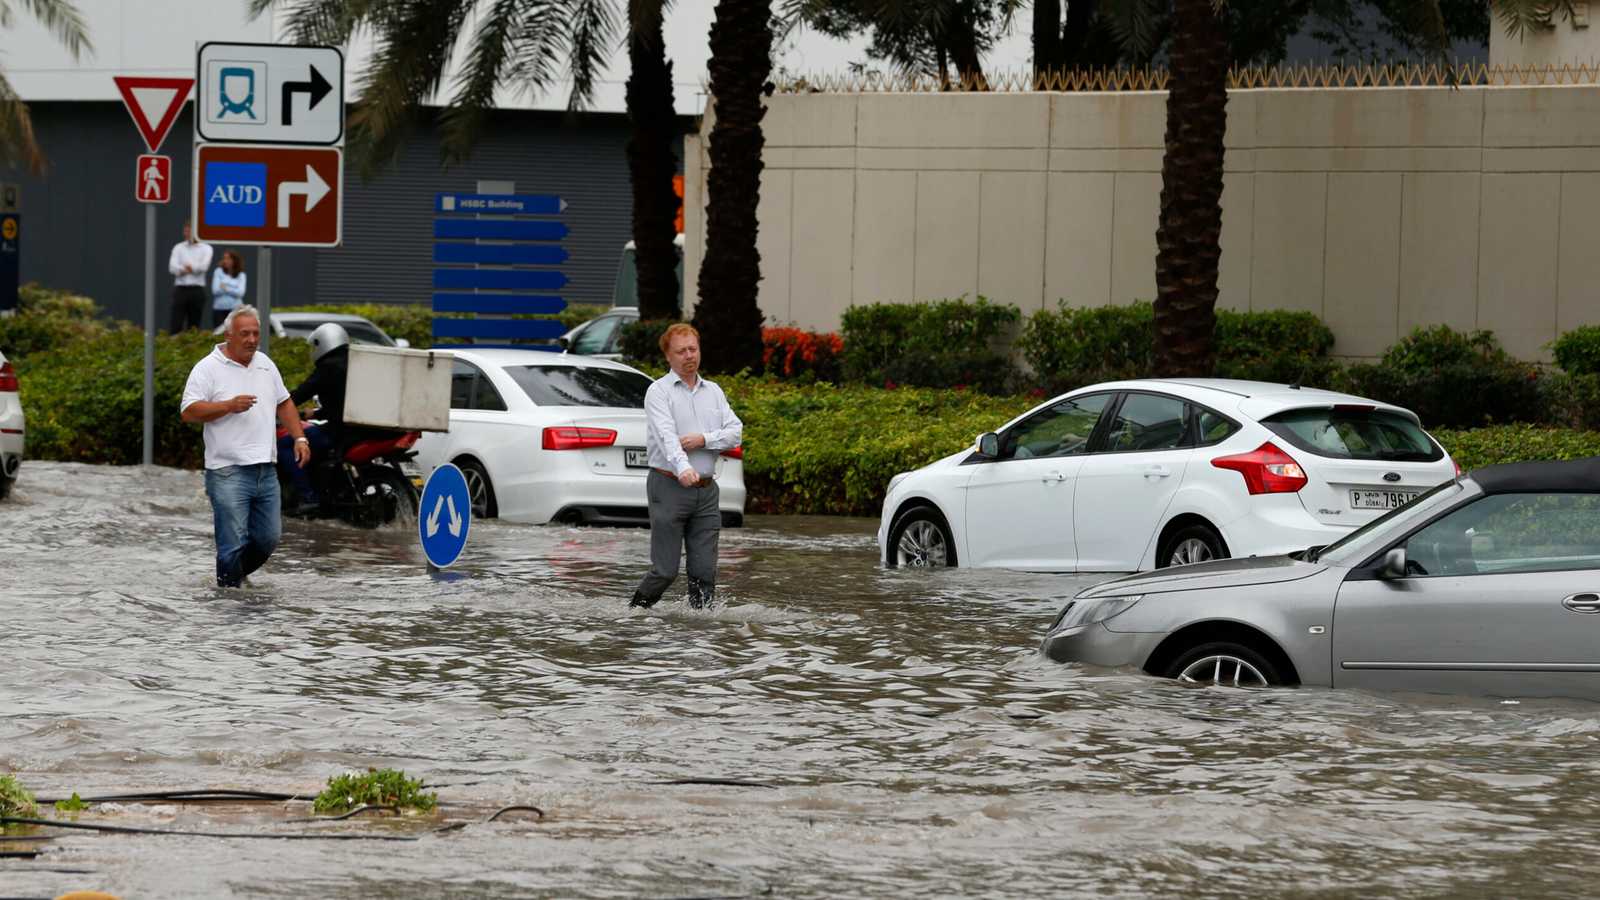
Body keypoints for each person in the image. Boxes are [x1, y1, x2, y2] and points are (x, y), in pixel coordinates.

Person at [180, 305, 310, 587]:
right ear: (229, 335)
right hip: (227, 470)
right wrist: (227, 406)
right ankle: (229, 602)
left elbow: (284, 402)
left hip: (266, 468)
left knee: (268, 538)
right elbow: (188, 412)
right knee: (232, 542)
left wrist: (299, 437)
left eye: (255, 333)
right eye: (245, 334)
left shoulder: (265, 363)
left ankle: (235, 581)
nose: (251, 340)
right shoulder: (207, 368)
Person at [629, 323, 743, 610]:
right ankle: (634, 614)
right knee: (665, 572)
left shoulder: (714, 391)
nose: (689, 356)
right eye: (681, 351)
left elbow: (735, 432)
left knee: (704, 573)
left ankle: (700, 633)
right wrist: (683, 467)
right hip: (669, 486)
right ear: (668, 356)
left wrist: (703, 439)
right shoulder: (658, 392)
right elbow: (667, 438)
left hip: (706, 491)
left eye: (693, 349)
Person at [276, 322, 351, 515]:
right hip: (356, 428)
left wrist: (277, 404)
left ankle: (307, 498)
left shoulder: (328, 366)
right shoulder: (353, 362)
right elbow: (344, 404)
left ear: (323, 343)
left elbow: (300, 394)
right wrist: (316, 413)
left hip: (338, 432)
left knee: (285, 444)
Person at [168, 219, 213, 332]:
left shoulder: (206, 248)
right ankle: (174, 347)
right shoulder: (178, 247)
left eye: (189, 231)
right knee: (176, 323)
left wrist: (188, 268)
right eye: (185, 231)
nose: (186, 234)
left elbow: (204, 267)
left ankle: (191, 347)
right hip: (181, 289)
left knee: (194, 324)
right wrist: (187, 269)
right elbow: (172, 268)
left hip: (197, 290)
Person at [209, 250, 247, 328]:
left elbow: (240, 293)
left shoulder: (241, 275)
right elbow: (215, 290)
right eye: (224, 258)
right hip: (219, 309)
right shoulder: (218, 271)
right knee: (219, 333)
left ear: (234, 260)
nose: (225, 261)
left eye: (228, 258)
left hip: (235, 310)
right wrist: (233, 288)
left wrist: (226, 288)